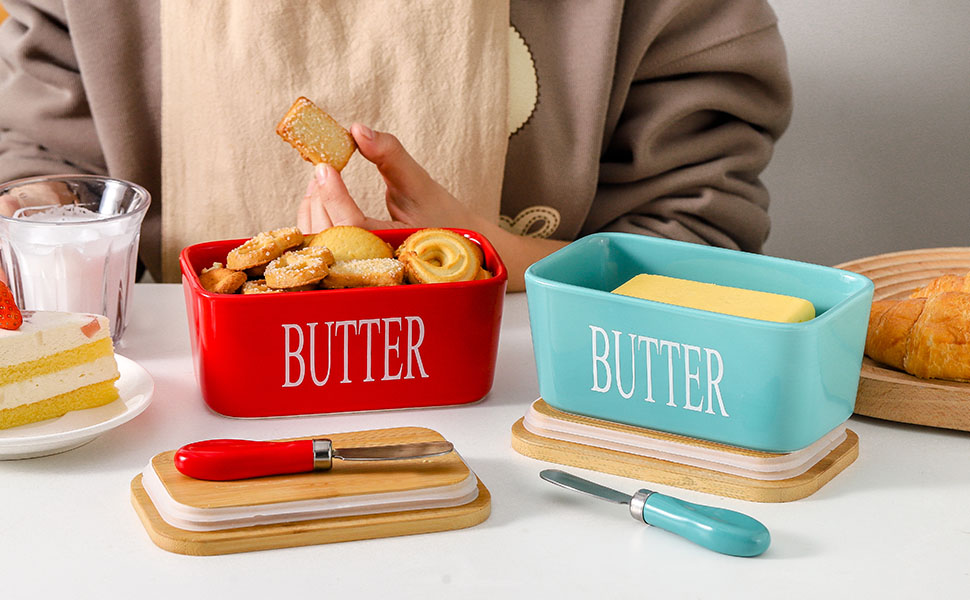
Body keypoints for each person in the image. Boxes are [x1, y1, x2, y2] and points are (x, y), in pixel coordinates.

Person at [0, 0, 792, 291]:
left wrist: (491, 258)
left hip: (535, 409)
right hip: (180, 407)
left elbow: (698, 249)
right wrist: (35, 215)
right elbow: (37, 161)